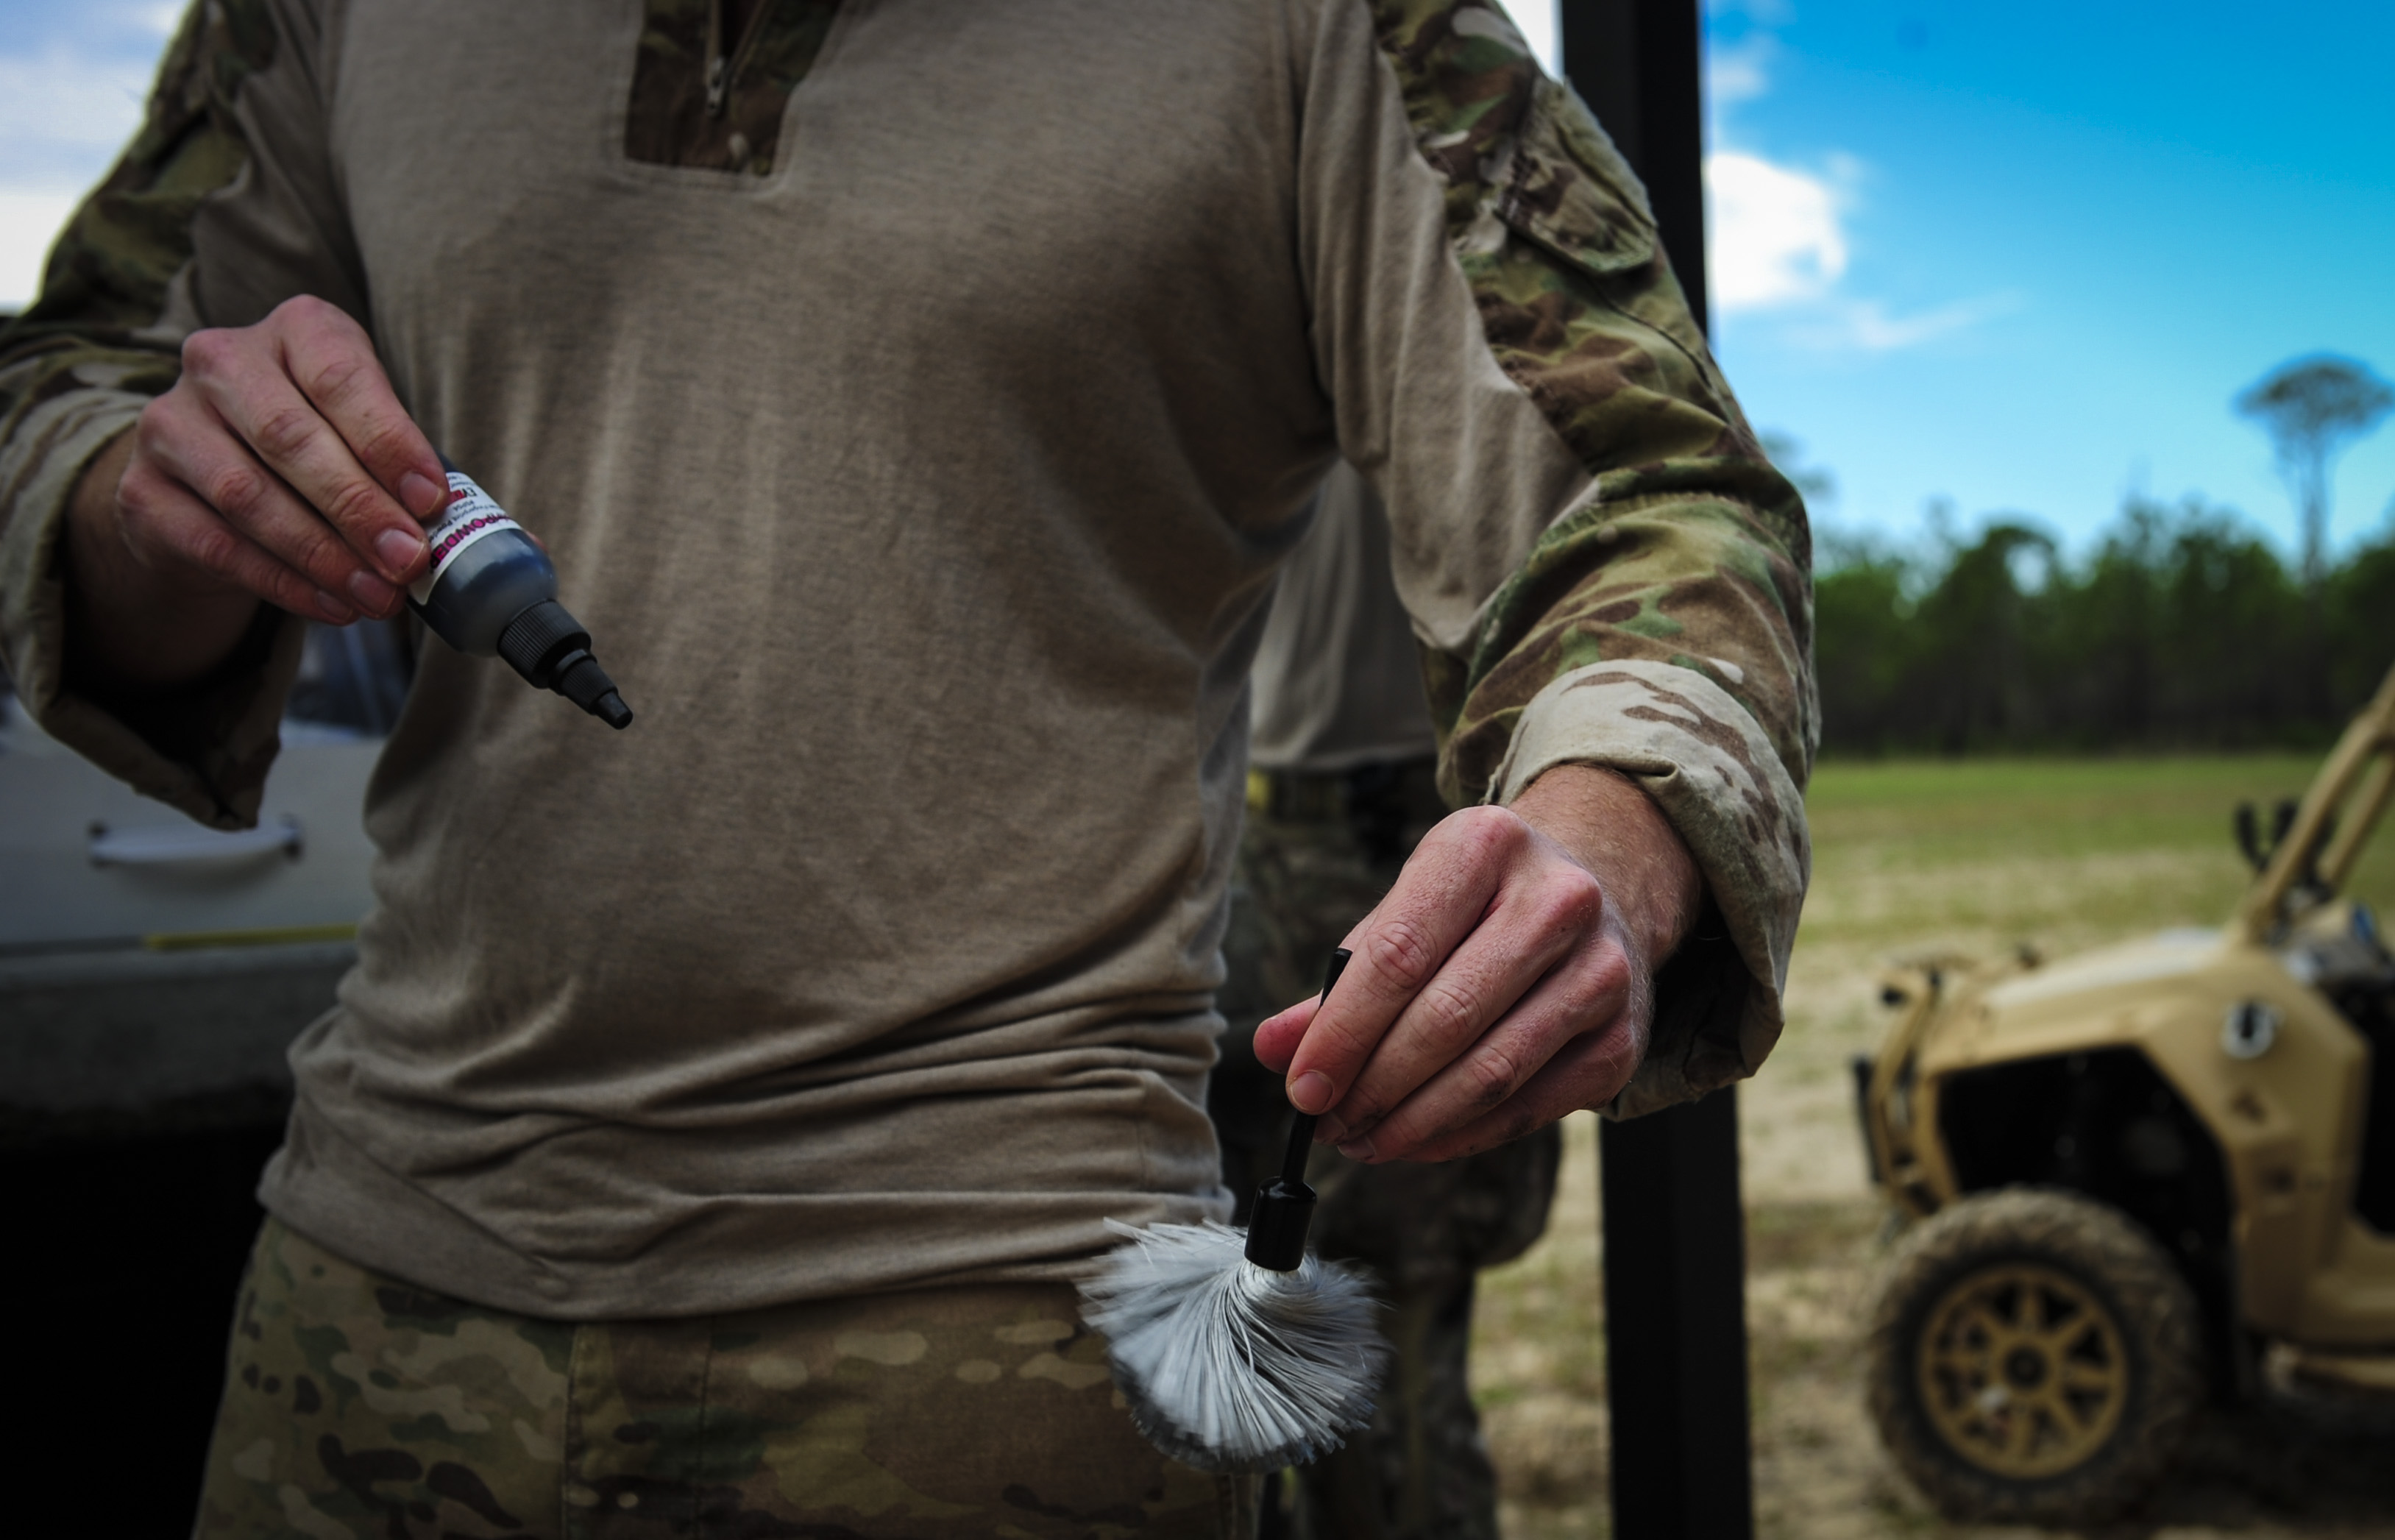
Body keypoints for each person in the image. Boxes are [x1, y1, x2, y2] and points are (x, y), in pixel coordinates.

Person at [0, 1, 1815, 1533]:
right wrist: (151, 503)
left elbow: (1654, 496)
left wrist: (1605, 836)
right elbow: (68, 385)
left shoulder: (1327, 24)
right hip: (359, 1304)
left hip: (1009, 1353)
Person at [1213, 461, 1561, 1540]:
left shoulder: (1429, 310)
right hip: (1242, 831)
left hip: (1410, 829)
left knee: (1382, 1323)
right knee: (1227, 1288)